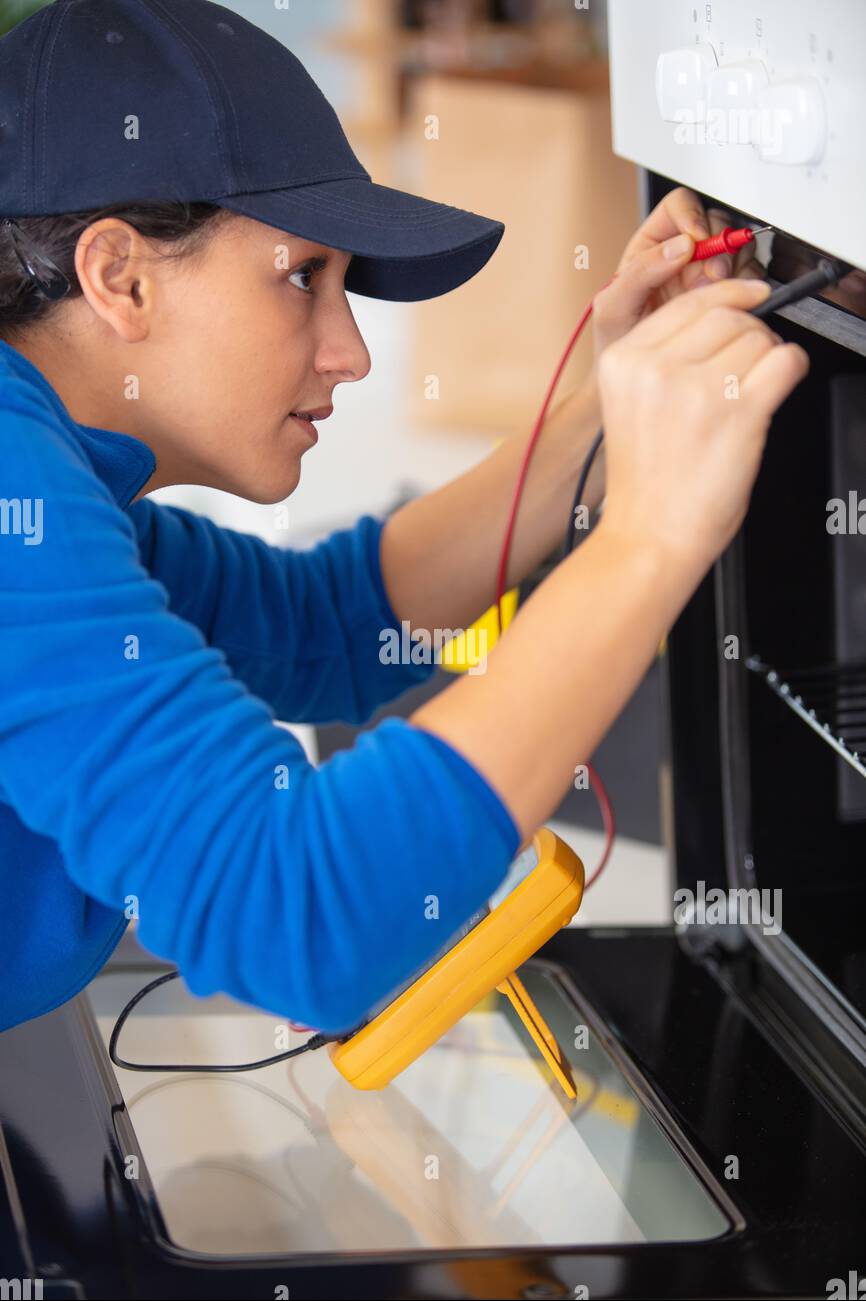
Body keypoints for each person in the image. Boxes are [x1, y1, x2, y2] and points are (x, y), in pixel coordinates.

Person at [0, 0, 807, 1036]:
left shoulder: (66, 483)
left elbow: (328, 622)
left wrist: (595, 413)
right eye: (303, 277)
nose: (352, 351)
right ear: (120, 278)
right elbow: (292, 913)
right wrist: (649, 540)